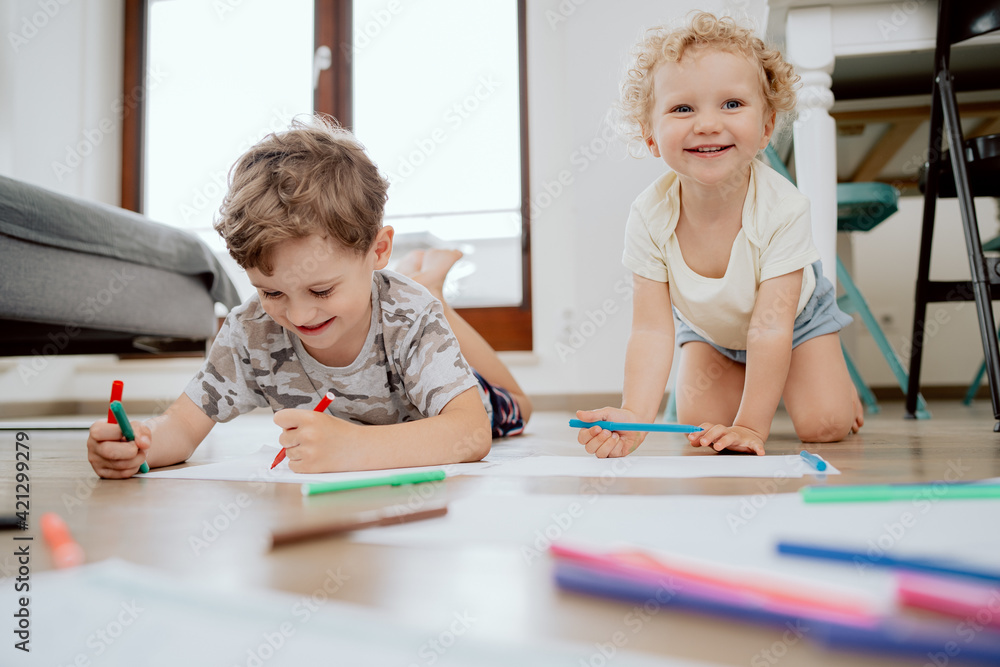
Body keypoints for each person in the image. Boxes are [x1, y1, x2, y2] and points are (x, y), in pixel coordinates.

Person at [87, 117, 530, 478]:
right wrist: (141, 442)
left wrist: (353, 448)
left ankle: (435, 292)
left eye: (322, 289)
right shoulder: (252, 332)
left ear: (378, 250)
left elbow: (471, 433)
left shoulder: (410, 316)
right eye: (271, 291)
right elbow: (183, 425)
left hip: (457, 398)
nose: (297, 314)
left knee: (519, 408)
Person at [577, 12, 862, 458]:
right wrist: (634, 415)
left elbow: (771, 327)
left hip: (795, 325)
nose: (707, 123)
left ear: (767, 126)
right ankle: (767, 379)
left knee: (825, 424)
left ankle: (828, 378)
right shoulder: (649, 216)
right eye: (682, 108)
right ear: (650, 136)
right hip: (711, 332)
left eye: (731, 104)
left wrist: (752, 426)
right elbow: (652, 330)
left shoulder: (783, 209)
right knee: (699, 428)